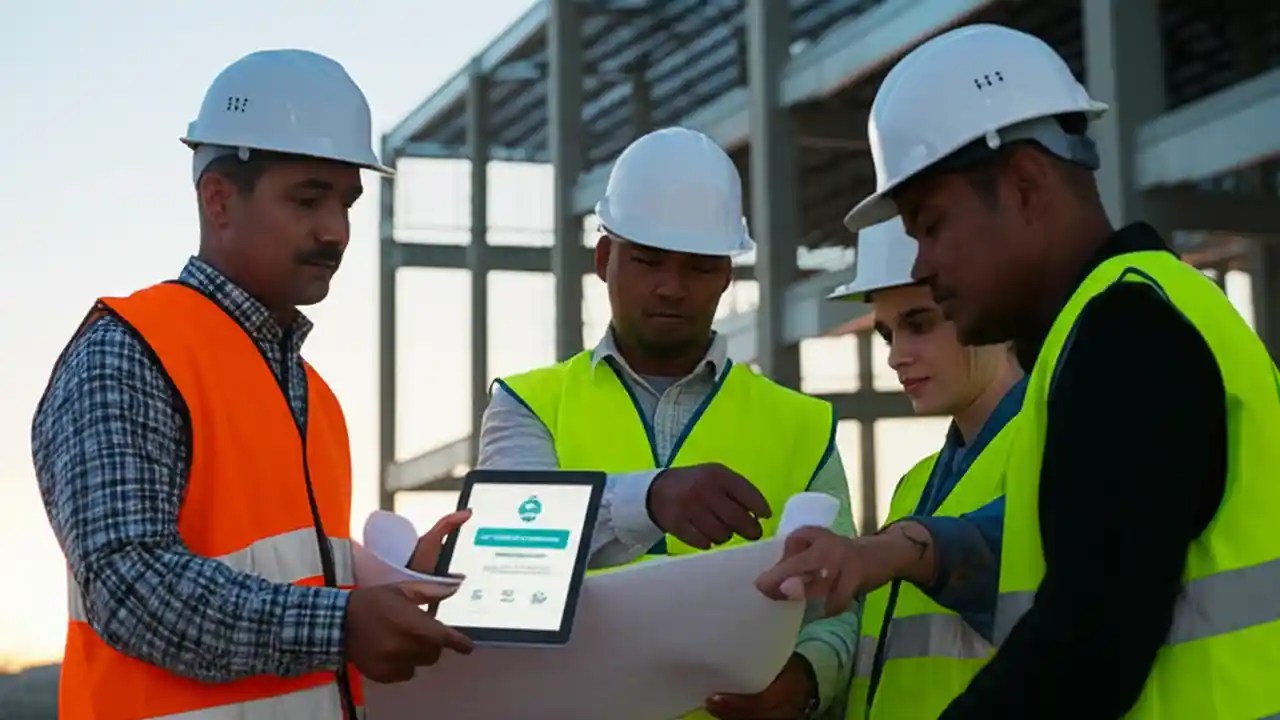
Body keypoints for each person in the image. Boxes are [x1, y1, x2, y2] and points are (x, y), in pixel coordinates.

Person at [836, 22, 1278, 719]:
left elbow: (1087, 644)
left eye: (932, 225)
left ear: (1025, 186)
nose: (921, 265)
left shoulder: (1127, 335)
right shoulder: (1139, 318)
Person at [32, 49, 473, 720]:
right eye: (308, 199)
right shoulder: (129, 352)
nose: (337, 231)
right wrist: (341, 623)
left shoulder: (310, 392)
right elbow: (129, 584)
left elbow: (267, 565)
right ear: (218, 200)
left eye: (347, 203)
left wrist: (384, 582)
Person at [475, 126, 858, 719]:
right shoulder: (528, 405)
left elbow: (836, 603)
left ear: (727, 274)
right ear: (605, 259)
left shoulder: (803, 427)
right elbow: (509, 569)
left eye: (698, 268)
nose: (671, 288)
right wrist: (647, 499)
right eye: (648, 261)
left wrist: (804, 682)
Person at [756, 215, 1024, 719]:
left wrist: (891, 552)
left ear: (990, 305)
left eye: (919, 324)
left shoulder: (1056, 446)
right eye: (886, 334)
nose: (898, 356)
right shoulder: (916, 486)